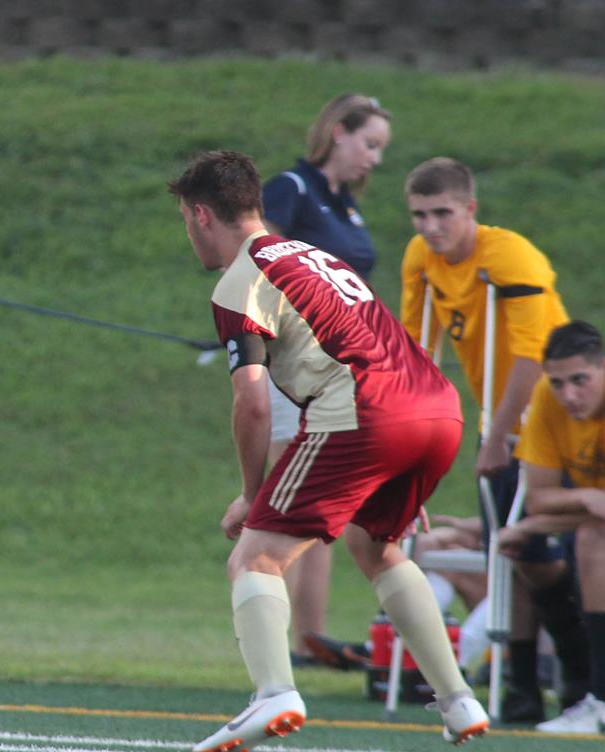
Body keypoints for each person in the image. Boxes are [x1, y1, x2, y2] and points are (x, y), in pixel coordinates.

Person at [169, 150, 487, 750]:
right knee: (378, 547)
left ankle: (274, 693)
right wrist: (396, 461)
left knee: (255, 559)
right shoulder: (318, 257)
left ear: (201, 214)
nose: (189, 234)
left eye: (186, 220)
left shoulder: (241, 280)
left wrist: (252, 495)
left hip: (367, 415)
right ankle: (457, 698)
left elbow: (252, 402)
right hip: (436, 410)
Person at [398, 157, 585, 721]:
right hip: (499, 421)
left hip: (553, 420)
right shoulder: (421, 258)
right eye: (419, 215)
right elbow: (415, 346)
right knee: (509, 553)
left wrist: (496, 437)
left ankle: (577, 673)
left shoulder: (508, 257)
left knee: (536, 555)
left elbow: (531, 355)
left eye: (443, 213)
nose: (431, 227)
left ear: (470, 209)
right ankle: (523, 686)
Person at [261, 94, 393, 669]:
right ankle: (276, 637)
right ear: (338, 133)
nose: (375, 158)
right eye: (370, 143)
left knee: (321, 505)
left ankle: (309, 639)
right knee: (290, 502)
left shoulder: (345, 206)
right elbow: (259, 265)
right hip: (296, 364)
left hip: (342, 368)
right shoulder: (291, 188)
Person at [500, 321, 605, 735]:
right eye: (558, 383)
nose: (568, 395)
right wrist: (585, 498)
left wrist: (536, 524)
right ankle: (574, 689)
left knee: (593, 539)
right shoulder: (546, 397)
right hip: (589, 523)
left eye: (580, 380)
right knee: (527, 554)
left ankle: (599, 699)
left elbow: (544, 511)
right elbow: (539, 496)